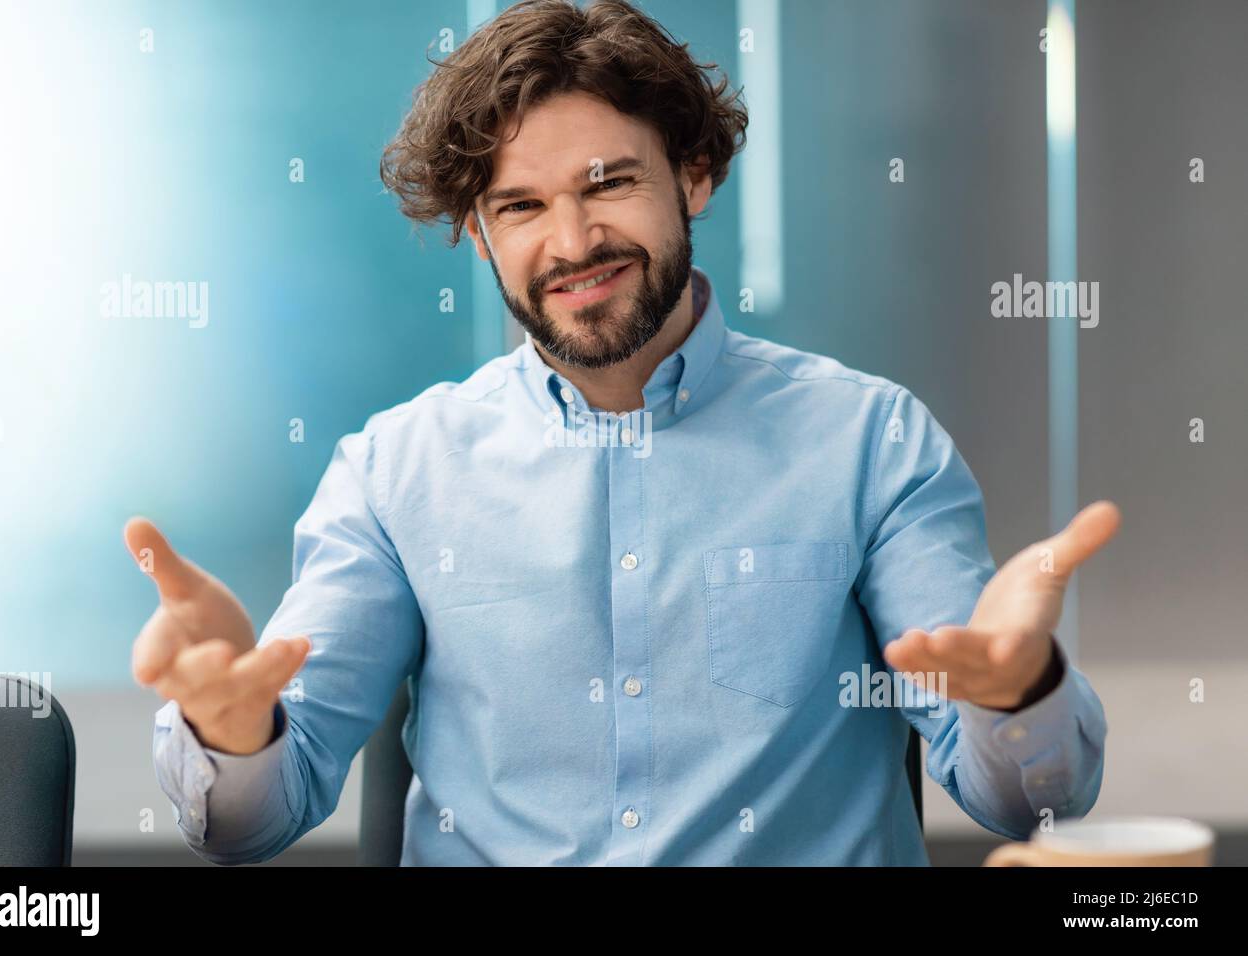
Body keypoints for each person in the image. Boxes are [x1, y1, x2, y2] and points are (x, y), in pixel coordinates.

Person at [126, 0, 1118, 865]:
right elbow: (248, 825)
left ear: (693, 176)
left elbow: (1029, 797)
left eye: (607, 184)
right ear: (478, 233)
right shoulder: (395, 473)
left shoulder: (871, 443)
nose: (571, 242)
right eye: (520, 206)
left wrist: (1014, 689)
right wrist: (233, 726)